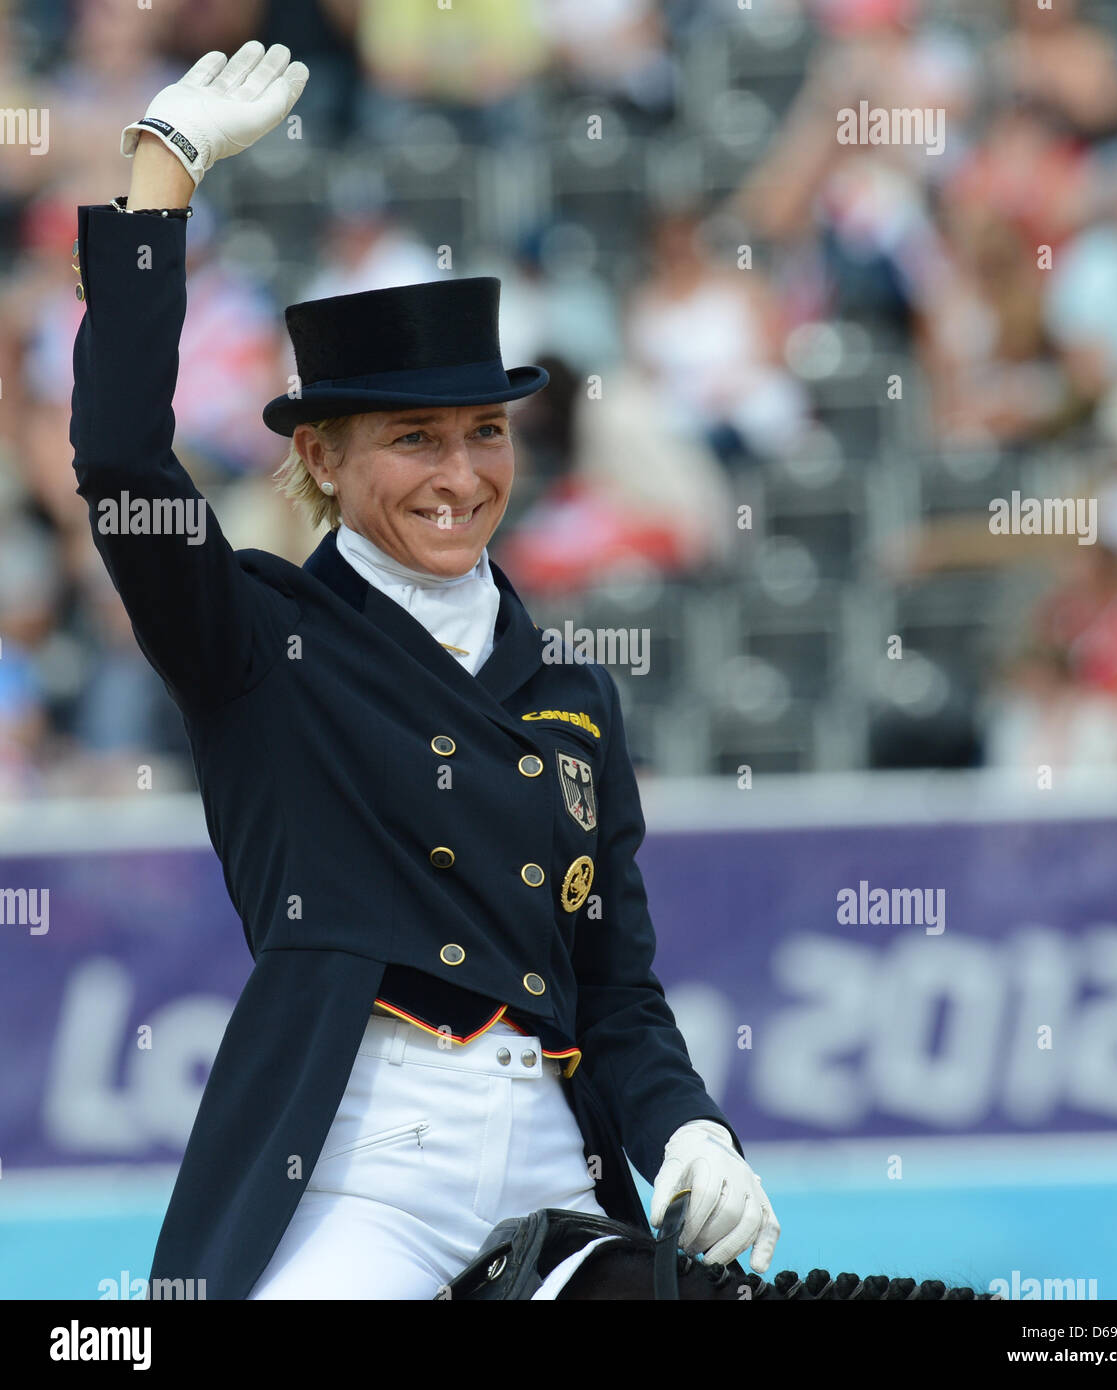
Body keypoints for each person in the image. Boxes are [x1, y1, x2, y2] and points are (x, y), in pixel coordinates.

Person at [70, 41, 779, 1299]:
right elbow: (125, 461)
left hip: (554, 1166)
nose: (461, 475)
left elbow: (613, 989)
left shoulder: (574, 695)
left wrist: (687, 1128)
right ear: (324, 461)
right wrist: (159, 176)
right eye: (413, 439)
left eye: (484, 434)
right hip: (356, 1168)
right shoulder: (251, 638)